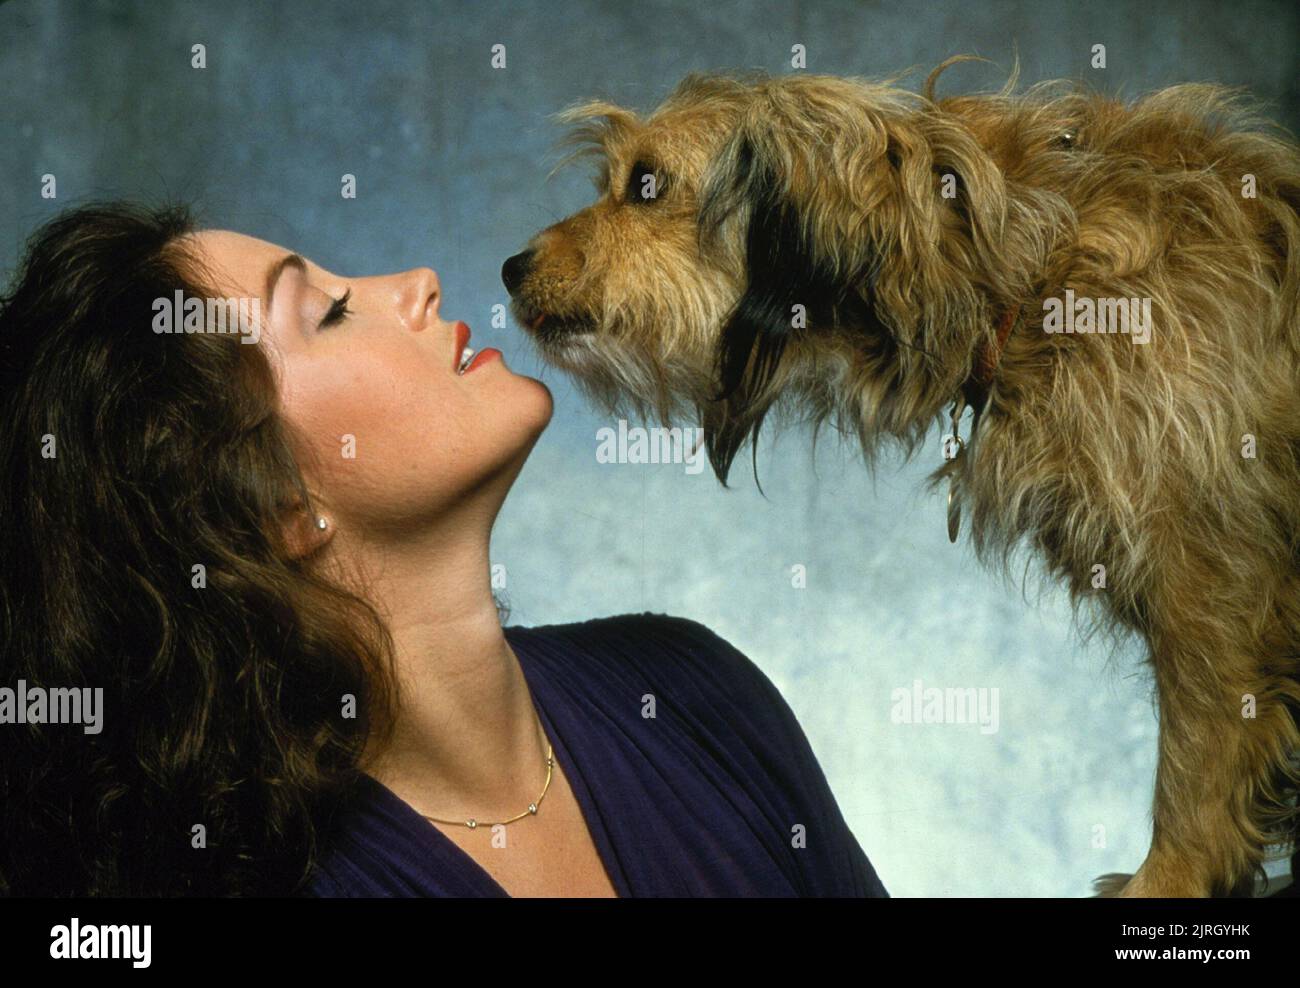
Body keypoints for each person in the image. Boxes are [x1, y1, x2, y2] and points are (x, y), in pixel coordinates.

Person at [0, 201, 888, 898]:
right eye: (331, 310)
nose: (417, 281)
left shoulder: (687, 689)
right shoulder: (279, 879)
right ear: (275, 503)